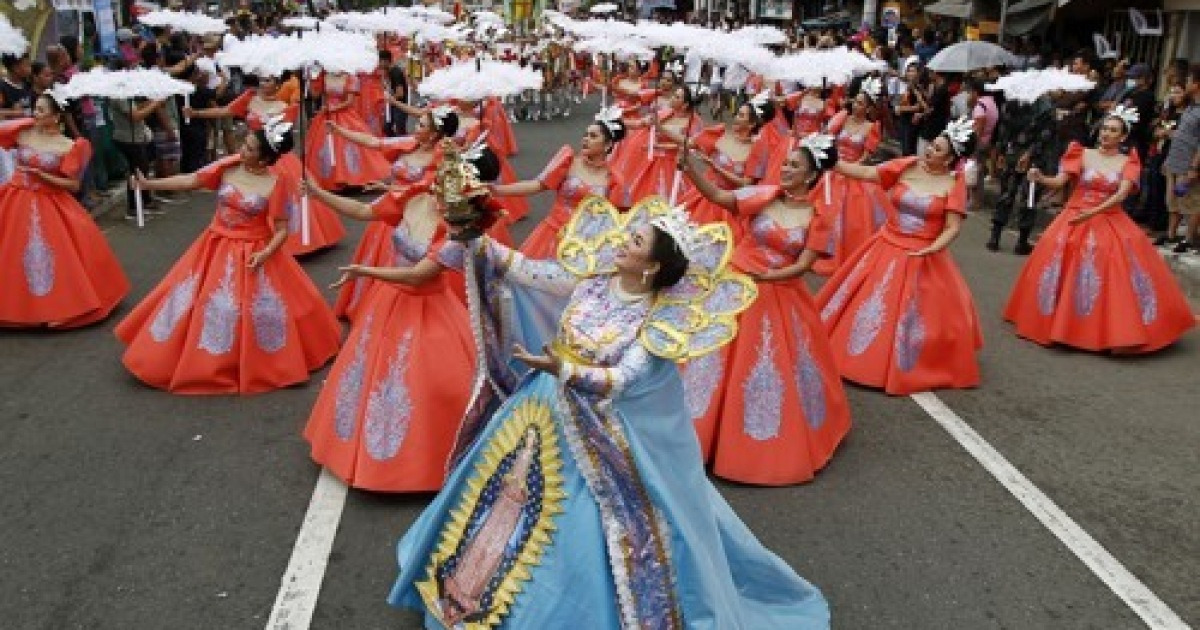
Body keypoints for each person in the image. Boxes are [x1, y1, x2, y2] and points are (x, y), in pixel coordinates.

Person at [386, 193, 830, 629]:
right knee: (502, 496)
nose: (622, 240)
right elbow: (527, 271)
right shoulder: (594, 279)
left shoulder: (654, 322)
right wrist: (475, 237)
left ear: (652, 267)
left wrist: (565, 369)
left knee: (575, 533)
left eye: (635, 242)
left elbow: (621, 379)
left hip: (596, 431)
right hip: (539, 409)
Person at [299, 145, 502, 491]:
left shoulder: (462, 230)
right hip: (388, 303)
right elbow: (364, 210)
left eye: (458, 178)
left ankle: (422, 463)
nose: (447, 180)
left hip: (428, 307)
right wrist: (318, 193)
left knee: (430, 386)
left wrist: (366, 271)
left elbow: (418, 276)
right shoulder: (414, 193)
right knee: (367, 373)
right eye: (448, 173)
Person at [115, 122, 341, 394]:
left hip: (254, 250)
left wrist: (266, 253)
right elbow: (192, 180)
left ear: (264, 159)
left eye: (250, 149)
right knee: (194, 301)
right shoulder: (228, 166)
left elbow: (282, 229)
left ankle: (256, 364)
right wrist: (147, 184)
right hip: (214, 245)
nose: (242, 150)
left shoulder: (276, 183)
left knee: (253, 310)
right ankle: (201, 362)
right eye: (244, 144)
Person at [679, 134, 852, 485]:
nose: (785, 169)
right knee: (707, 361)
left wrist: (770, 276)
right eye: (785, 163)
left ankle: (745, 447)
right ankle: (694, 433)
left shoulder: (820, 216)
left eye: (794, 166)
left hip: (777, 294)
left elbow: (804, 264)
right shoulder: (764, 195)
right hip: (734, 285)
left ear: (811, 176)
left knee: (763, 365)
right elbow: (719, 197)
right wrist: (690, 169)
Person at [1005, 106, 1196, 352]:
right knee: (1056, 252)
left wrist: (1093, 213)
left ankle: (1109, 329)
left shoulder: (1129, 162)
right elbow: (1060, 182)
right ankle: (1056, 323)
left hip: (1108, 216)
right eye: (1104, 128)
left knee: (1111, 259)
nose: (1106, 133)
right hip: (1074, 215)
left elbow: (1121, 195)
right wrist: (1040, 177)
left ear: (1123, 136)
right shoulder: (1080, 152)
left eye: (1113, 130)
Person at [816, 118, 984, 395]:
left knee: (915, 317)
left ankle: (901, 364)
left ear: (950, 158)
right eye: (931, 145)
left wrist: (934, 247)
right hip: (886, 244)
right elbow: (867, 173)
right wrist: (832, 162)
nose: (929, 151)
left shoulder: (954, 184)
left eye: (938, 149)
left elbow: (953, 227)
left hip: (922, 253)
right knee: (867, 304)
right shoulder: (907, 165)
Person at [0, 91, 129, 328]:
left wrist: (44, 177)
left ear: (56, 116)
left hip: (50, 200)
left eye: (41, 110)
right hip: (14, 199)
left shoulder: (70, 145)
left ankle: (61, 307)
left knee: (58, 257)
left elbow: (73, 185)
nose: (35, 114)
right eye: (35, 108)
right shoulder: (23, 131)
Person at [186, 72, 347, 255]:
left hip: (274, 158)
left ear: (277, 85)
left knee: (285, 198)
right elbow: (225, 111)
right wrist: (196, 113)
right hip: (251, 153)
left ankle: (285, 243)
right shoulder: (249, 99)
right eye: (262, 79)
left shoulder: (284, 107)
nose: (263, 83)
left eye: (268, 80)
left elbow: (285, 140)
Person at [496, 107, 630, 260]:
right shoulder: (568, 161)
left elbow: (619, 219)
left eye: (593, 136)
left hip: (586, 247)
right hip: (551, 236)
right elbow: (536, 185)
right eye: (585, 135)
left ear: (608, 145)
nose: (585, 139)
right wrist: (497, 190)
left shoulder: (615, 179)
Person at [988, 92, 1057, 254]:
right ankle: (1021, 241)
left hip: (1012, 153)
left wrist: (1002, 152)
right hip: (1033, 159)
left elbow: (1003, 131)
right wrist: (1029, 153)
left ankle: (995, 237)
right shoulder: (1045, 106)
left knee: (1006, 194)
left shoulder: (1012, 101)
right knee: (1029, 197)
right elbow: (1045, 136)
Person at [304, 70, 392, 191]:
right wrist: (311, 80)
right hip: (326, 114)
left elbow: (349, 102)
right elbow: (315, 95)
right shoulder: (324, 75)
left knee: (347, 145)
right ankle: (330, 179)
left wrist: (334, 108)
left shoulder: (350, 77)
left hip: (344, 114)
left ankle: (351, 179)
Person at [1160, 66, 1200, 252]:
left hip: (1189, 163)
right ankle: (1171, 234)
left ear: (1197, 84)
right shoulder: (1191, 106)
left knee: (1190, 202)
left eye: (1189, 80)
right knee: (1172, 201)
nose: (1187, 83)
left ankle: (1189, 238)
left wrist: (1194, 167)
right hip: (1175, 160)